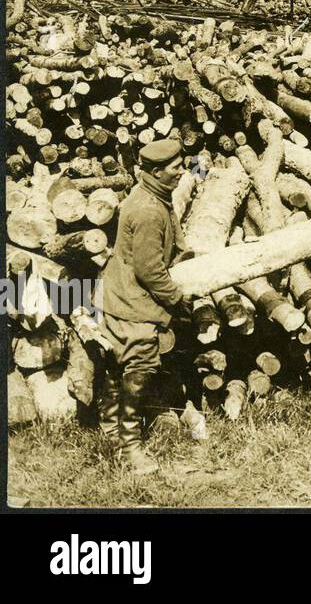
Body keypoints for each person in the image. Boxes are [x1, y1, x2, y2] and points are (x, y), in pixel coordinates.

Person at [98, 137, 189, 474]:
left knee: (121, 363)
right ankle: (129, 448)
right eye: (176, 168)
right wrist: (177, 299)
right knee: (139, 367)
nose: (182, 172)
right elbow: (149, 270)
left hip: (125, 290)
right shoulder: (148, 210)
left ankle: (111, 428)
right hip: (132, 298)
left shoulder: (153, 195)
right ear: (155, 171)